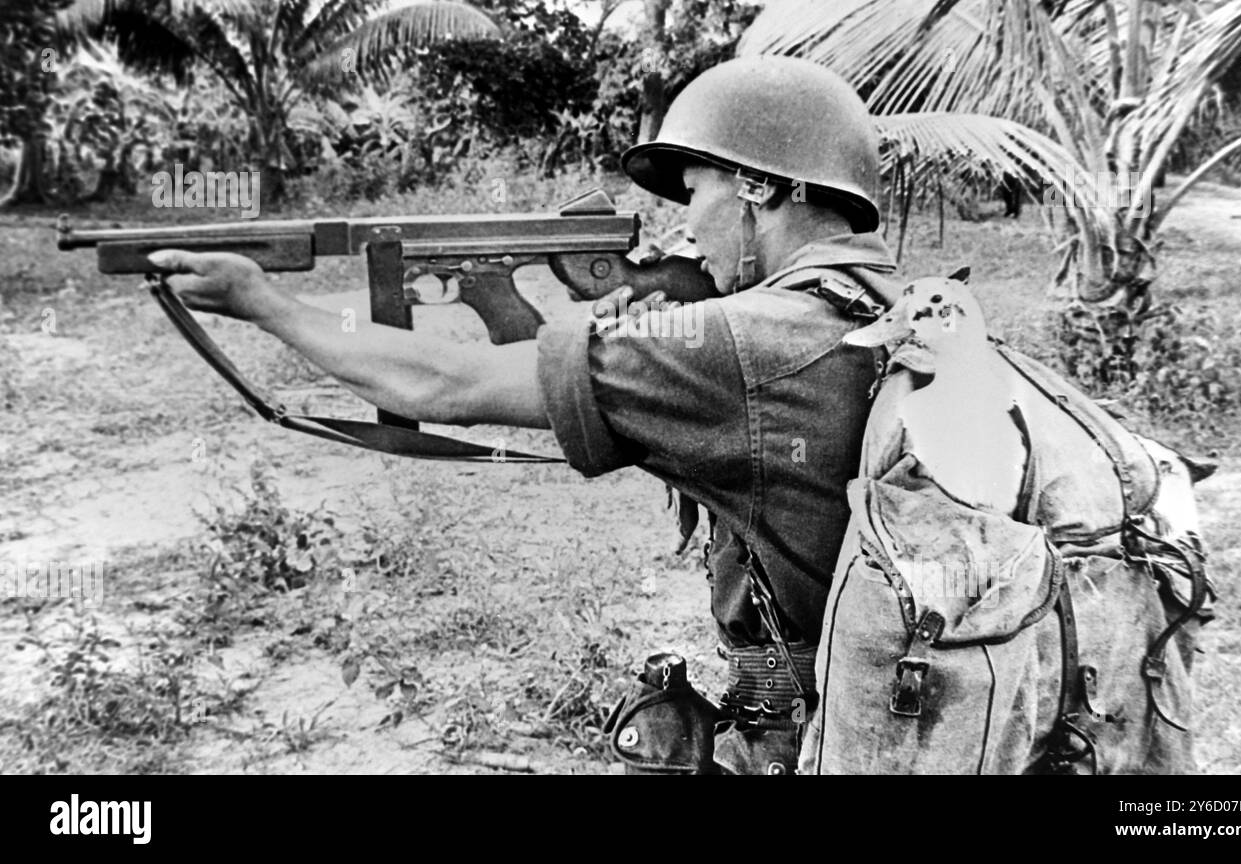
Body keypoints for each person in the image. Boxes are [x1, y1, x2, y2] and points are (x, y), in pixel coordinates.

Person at [148, 55, 901, 774]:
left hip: (811, 738)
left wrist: (266, 303)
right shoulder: (899, 308)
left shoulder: (737, 344)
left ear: (758, 190)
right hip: (891, 713)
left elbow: (444, 385)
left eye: (697, 192)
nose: (686, 229)